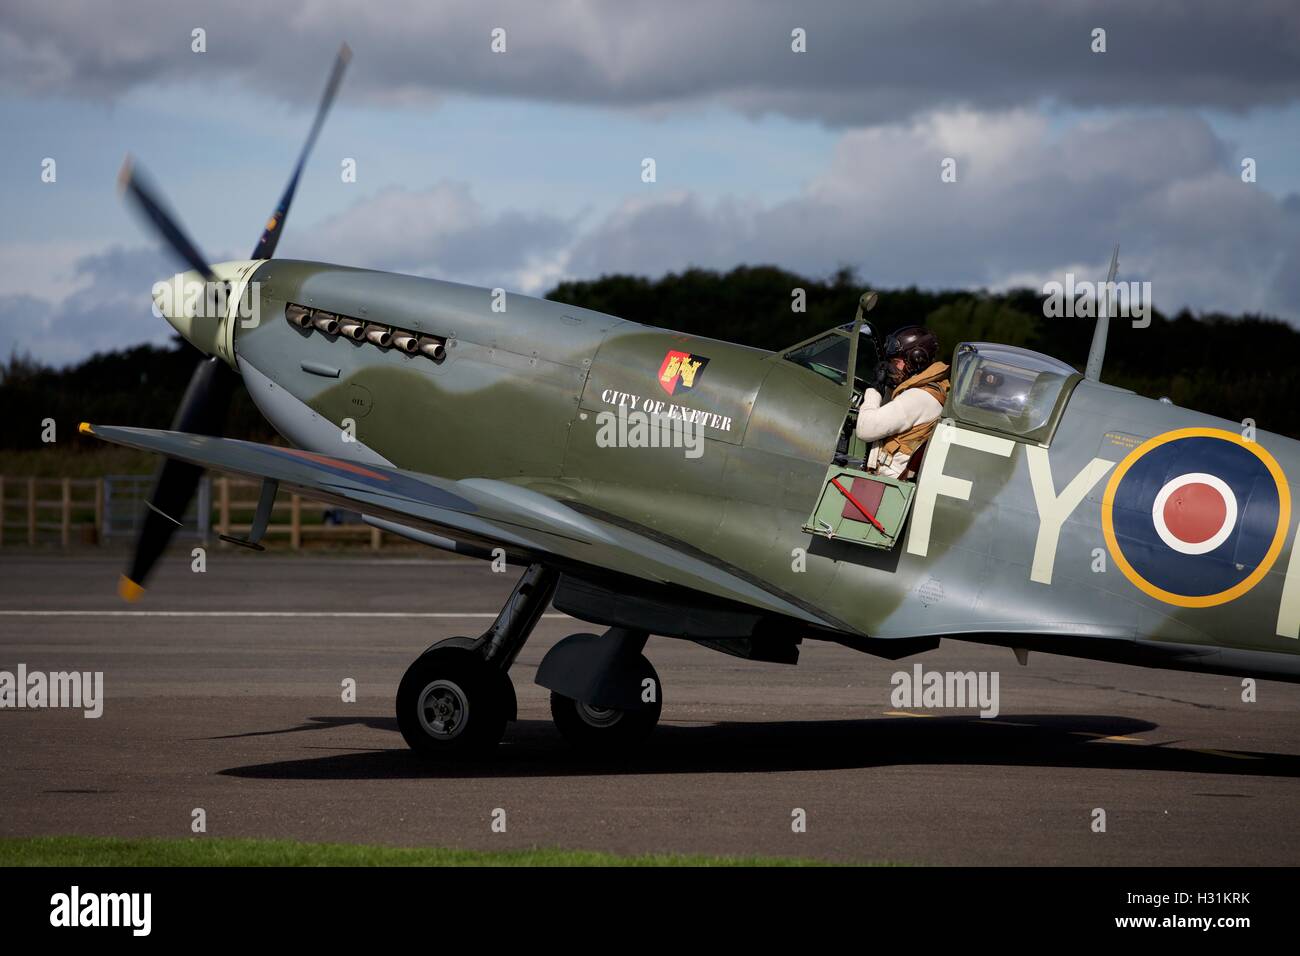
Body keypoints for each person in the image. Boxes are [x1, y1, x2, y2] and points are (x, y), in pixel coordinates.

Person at [854, 326, 949, 479]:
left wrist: (875, 389)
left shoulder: (918, 397)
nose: (892, 367)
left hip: (888, 481)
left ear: (916, 359)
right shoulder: (929, 389)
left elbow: (865, 429)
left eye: (896, 362)